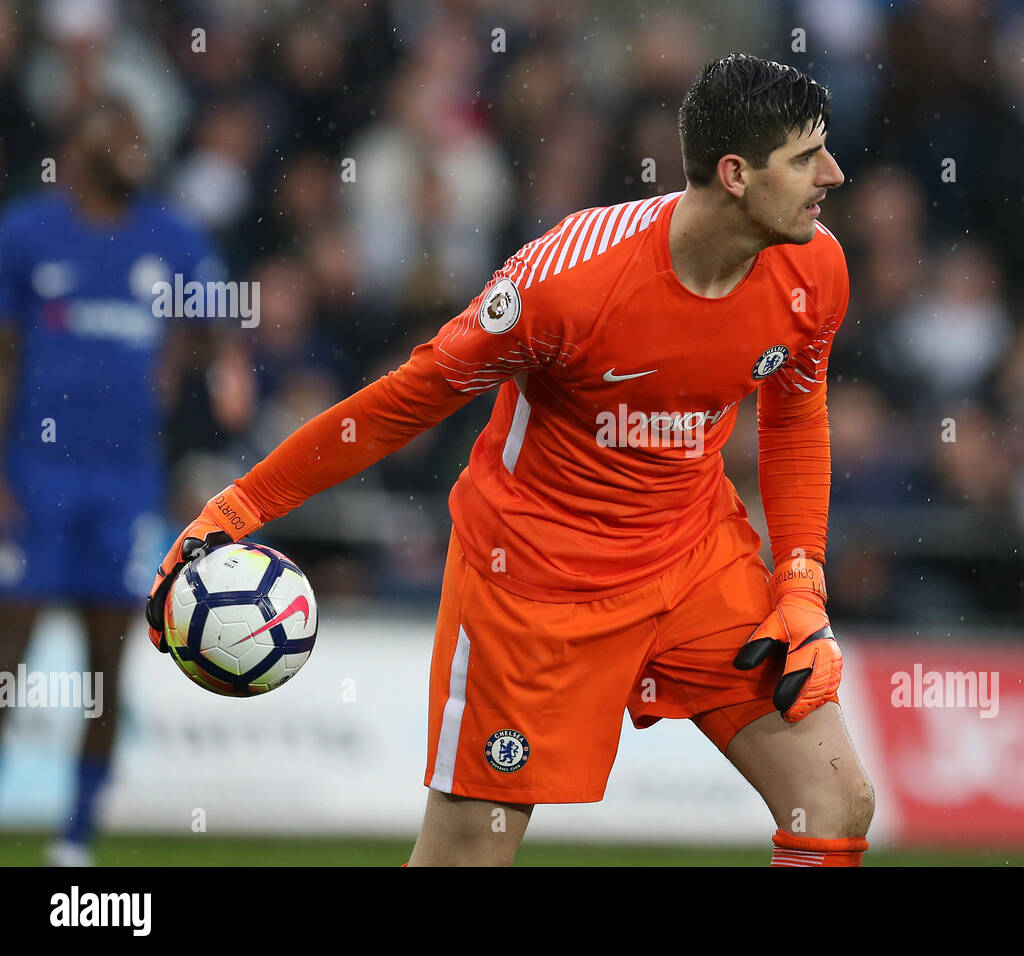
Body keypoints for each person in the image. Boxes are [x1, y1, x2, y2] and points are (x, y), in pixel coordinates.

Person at [146, 53, 875, 867]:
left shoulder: (817, 266)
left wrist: (801, 579)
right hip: (533, 585)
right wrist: (234, 511)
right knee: (466, 855)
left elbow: (795, 418)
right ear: (736, 174)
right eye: (808, 158)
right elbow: (397, 406)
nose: (835, 176)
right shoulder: (566, 283)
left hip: (697, 559)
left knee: (833, 802)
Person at [0, 100, 247, 865]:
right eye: (118, 132)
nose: (134, 148)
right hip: (34, 478)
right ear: (79, 145)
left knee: (107, 661)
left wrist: (202, 361)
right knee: (9, 658)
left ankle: (75, 837)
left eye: (140, 134)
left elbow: (216, 331)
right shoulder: (26, 233)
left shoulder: (174, 238)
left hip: (127, 478)